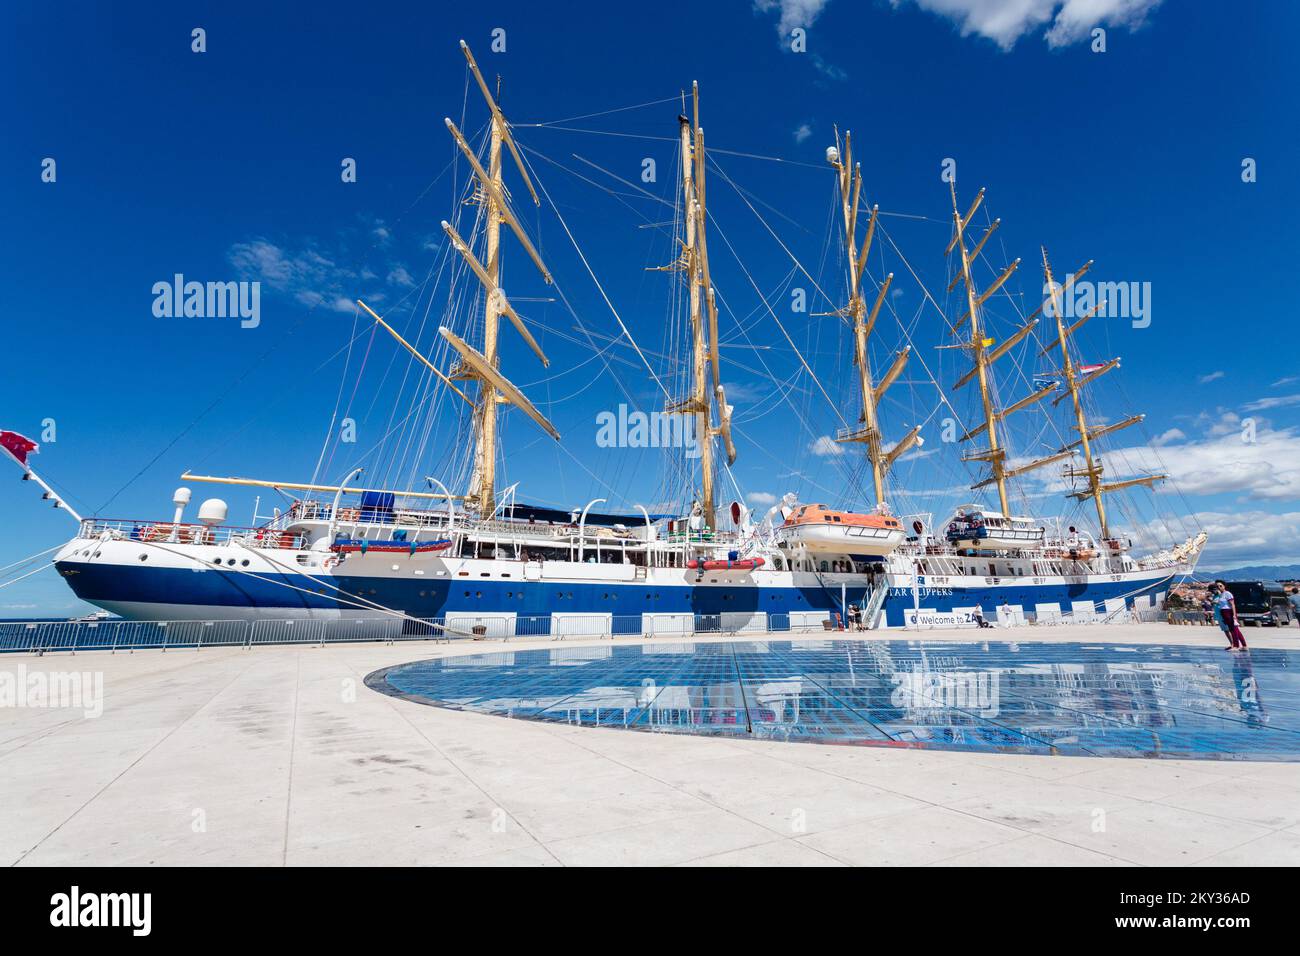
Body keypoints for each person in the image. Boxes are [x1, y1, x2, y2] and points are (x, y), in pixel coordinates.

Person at [1214, 582, 1247, 650]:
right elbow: (1222, 603)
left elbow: (1232, 604)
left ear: (1224, 586)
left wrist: (1234, 615)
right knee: (1236, 630)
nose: (1219, 587)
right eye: (1217, 586)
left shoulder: (1227, 594)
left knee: (1233, 630)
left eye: (1220, 586)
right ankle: (1244, 646)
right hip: (1224, 612)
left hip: (1228, 612)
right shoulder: (1221, 595)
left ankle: (1236, 646)